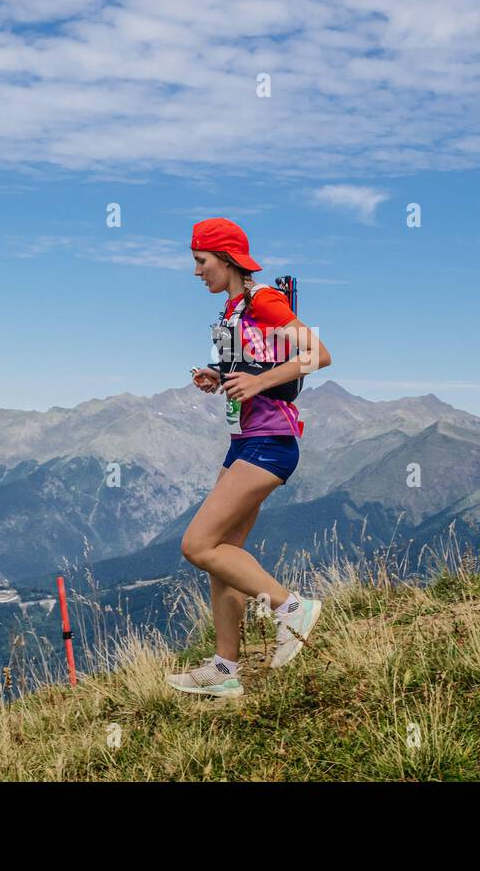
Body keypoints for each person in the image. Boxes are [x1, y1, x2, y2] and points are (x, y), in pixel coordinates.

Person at [165, 217, 333, 698]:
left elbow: (318, 354)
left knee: (197, 546)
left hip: (270, 441)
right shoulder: (235, 307)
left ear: (227, 259)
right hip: (243, 440)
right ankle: (224, 670)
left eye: (201, 261)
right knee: (223, 556)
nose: (197, 272)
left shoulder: (264, 300)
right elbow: (258, 363)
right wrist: (220, 376)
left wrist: (257, 383)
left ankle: (290, 608)